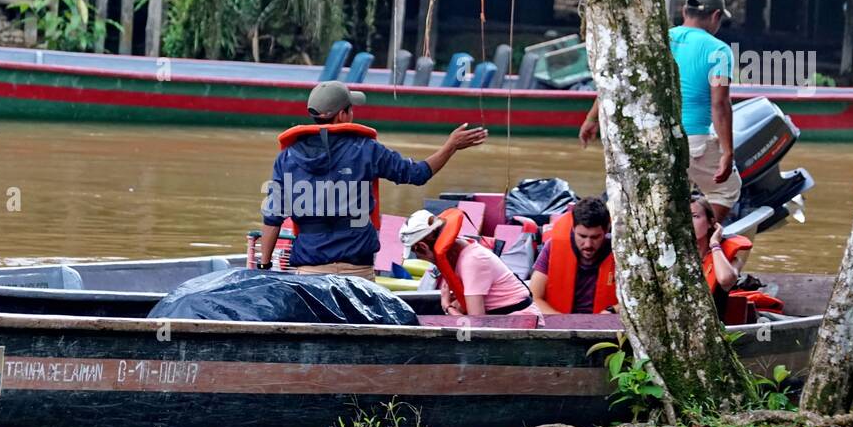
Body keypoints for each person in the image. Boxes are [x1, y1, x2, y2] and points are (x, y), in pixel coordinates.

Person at [257, 80, 487, 279]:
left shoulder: (286, 158)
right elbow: (417, 174)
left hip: (309, 269)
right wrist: (451, 147)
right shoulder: (366, 150)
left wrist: (264, 265)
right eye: (351, 108)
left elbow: (272, 219)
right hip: (357, 270)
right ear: (342, 115)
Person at [579, 0, 740, 221]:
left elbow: (617, 83)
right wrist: (727, 151)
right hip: (693, 141)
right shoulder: (719, 50)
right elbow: (720, 105)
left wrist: (591, 119)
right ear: (716, 16)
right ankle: (703, 243)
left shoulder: (657, 40)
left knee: (668, 198)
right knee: (726, 190)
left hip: (652, 138)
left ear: (685, 11)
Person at [400, 208, 535, 316]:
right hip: (499, 317)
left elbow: (476, 325)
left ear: (423, 247)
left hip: (518, 322)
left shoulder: (472, 260)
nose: (419, 258)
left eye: (416, 253)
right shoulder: (459, 248)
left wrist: (447, 306)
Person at [529, 196, 618, 315]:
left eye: (595, 237)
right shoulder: (552, 247)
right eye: (582, 236)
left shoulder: (620, 252)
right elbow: (534, 298)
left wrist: (613, 311)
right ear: (573, 228)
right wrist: (563, 323)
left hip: (606, 326)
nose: (588, 244)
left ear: (607, 230)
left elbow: (637, 299)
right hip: (559, 324)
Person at [691, 195, 752, 319]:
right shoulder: (673, 257)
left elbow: (725, 279)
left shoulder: (733, 260)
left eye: (695, 216)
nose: (689, 222)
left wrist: (715, 244)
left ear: (711, 223)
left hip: (713, 326)